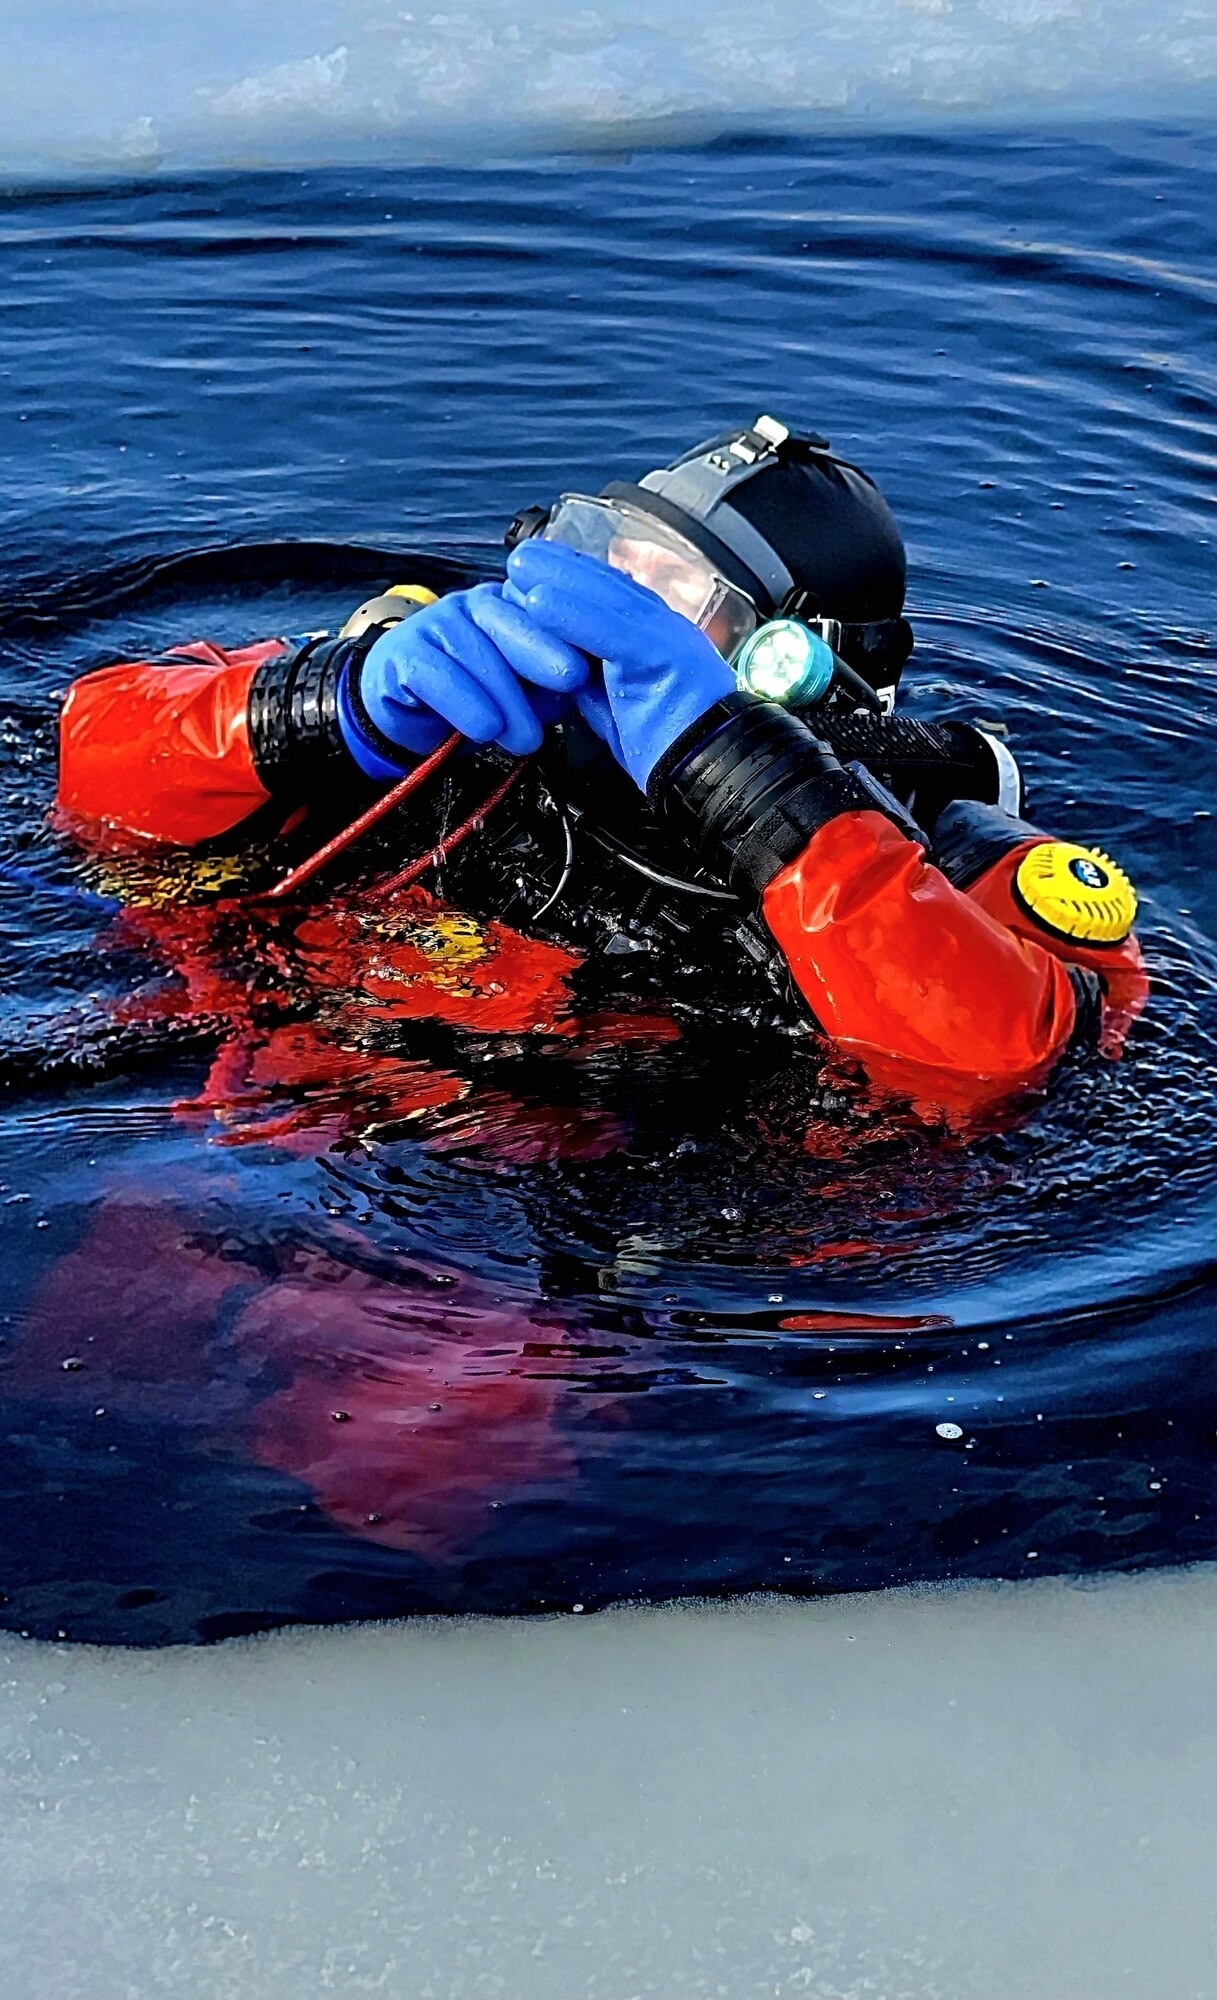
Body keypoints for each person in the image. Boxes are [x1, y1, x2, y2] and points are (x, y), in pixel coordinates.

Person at [56, 413, 1146, 1126]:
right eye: (599, 555)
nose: (597, 617)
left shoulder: (953, 859)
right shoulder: (449, 702)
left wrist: (724, 755)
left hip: (505, 1243)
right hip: (215, 1115)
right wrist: (331, 702)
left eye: (664, 597)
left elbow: (995, 1063)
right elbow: (93, 768)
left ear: (781, 660)